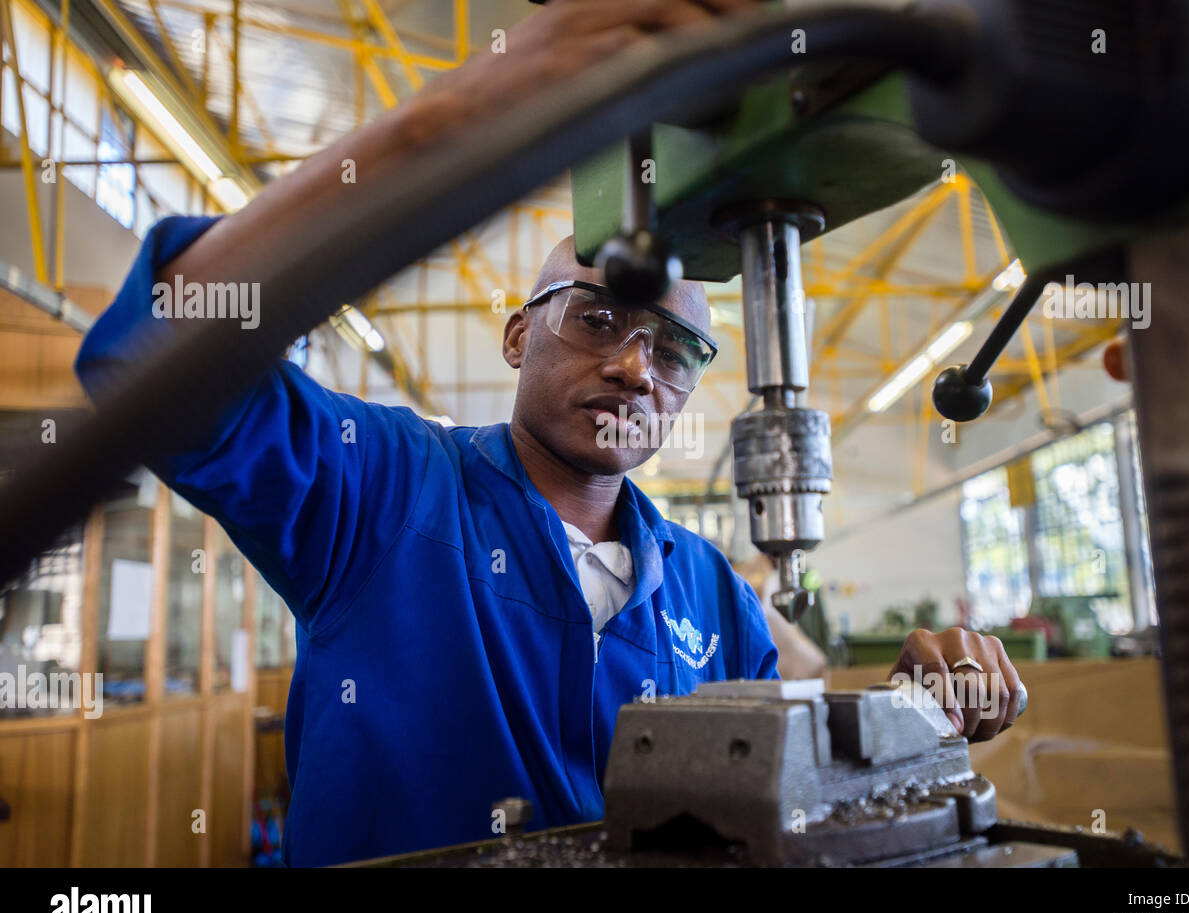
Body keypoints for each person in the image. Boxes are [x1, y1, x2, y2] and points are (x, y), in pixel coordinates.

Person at [74, 0, 1022, 866]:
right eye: (598, 318)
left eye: (676, 349)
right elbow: (152, 347)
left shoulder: (713, 594)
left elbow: (785, 803)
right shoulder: (383, 489)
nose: (636, 368)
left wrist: (916, 715)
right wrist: (465, 111)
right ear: (518, 335)